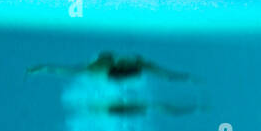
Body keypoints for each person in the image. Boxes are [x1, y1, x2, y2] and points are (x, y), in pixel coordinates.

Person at [26, 52, 190, 82]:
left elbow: (66, 71)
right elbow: (167, 75)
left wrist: (42, 68)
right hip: (117, 73)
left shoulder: (98, 65)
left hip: (116, 73)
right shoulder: (141, 64)